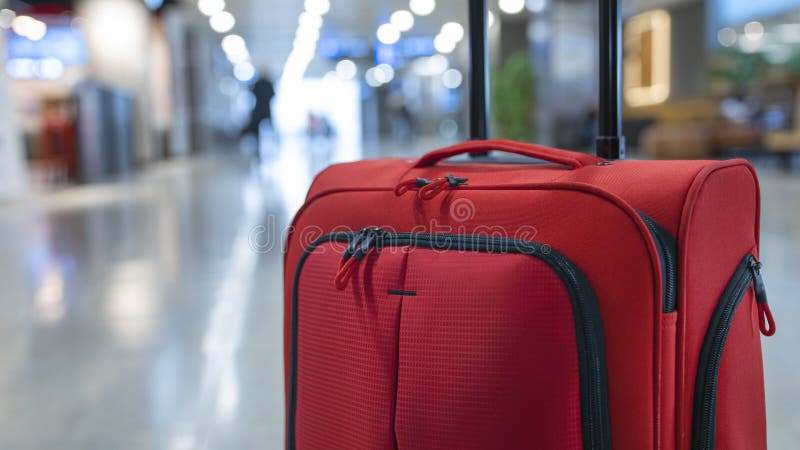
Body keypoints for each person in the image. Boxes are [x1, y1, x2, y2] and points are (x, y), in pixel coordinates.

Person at [243, 74, 276, 154]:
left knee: (257, 130)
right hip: (266, 109)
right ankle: (274, 145)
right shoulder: (268, 84)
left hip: (258, 109)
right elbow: (273, 94)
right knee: (270, 129)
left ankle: (261, 148)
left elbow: (252, 91)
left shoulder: (257, 84)